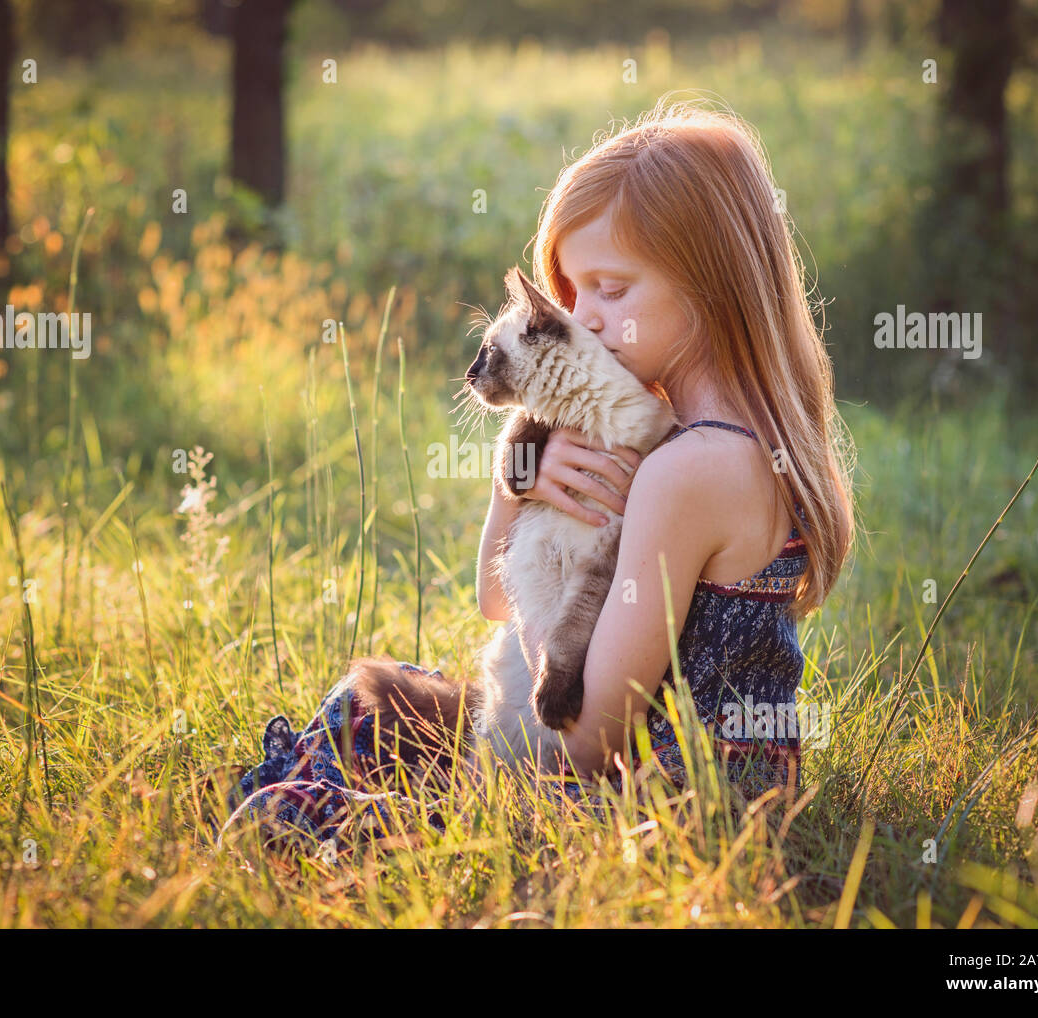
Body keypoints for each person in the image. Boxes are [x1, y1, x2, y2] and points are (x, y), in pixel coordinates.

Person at [218, 95, 855, 849]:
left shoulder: (690, 471)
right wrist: (521, 481)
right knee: (385, 697)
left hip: (657, 816)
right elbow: (496, 598)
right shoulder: (714, 441)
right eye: (572, 291)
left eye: (612, 290)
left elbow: (586, 740)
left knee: (315, 785)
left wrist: (538, 557)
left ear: (712, 286)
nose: (582, 318)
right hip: (671, 787)